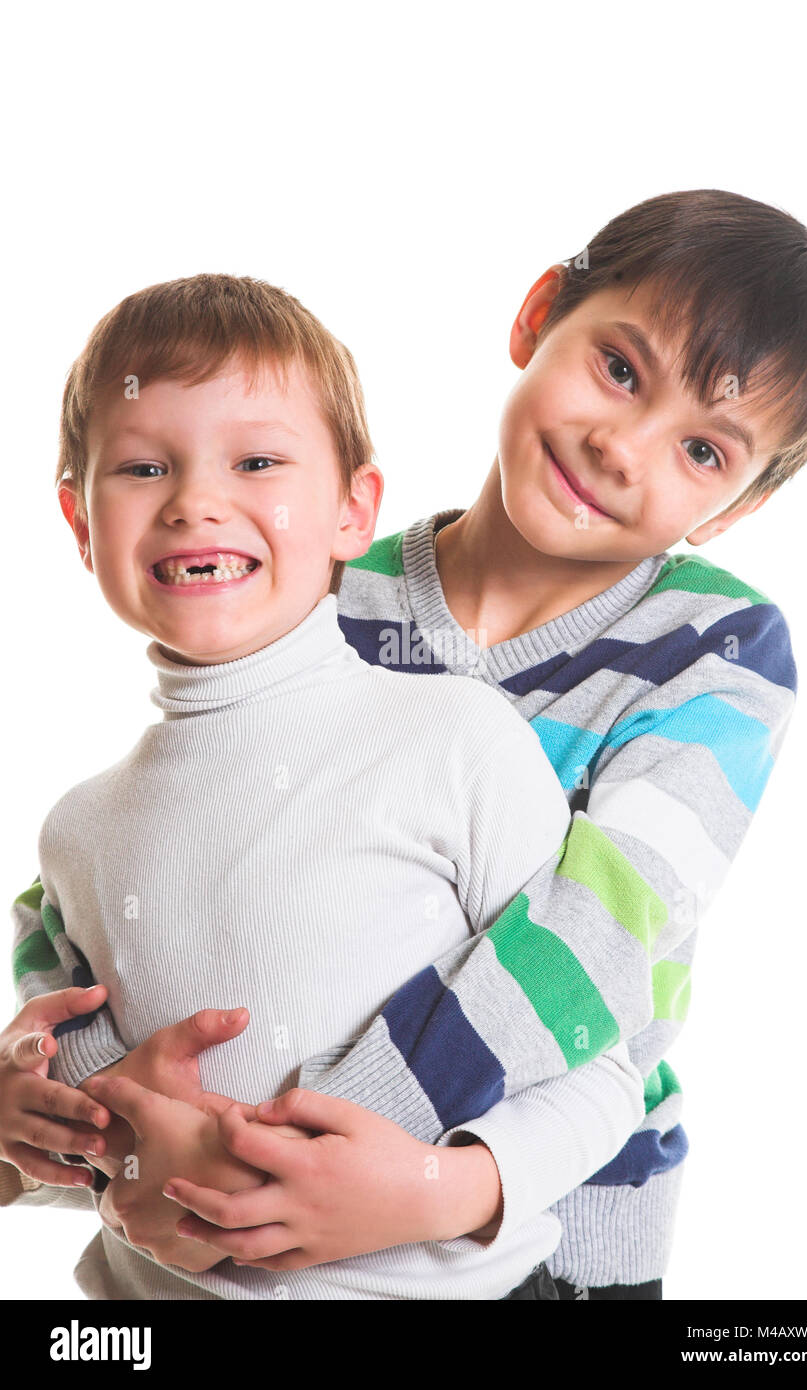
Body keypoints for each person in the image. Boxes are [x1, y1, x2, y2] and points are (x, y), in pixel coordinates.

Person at [3, 186, 807, 1298]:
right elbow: (161, 862)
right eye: (618, 369)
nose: (618, 445)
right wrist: (99, 1104)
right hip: (228, 1231)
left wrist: (364, 1150)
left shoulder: (718, 647)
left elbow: (597, 933)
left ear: (736, 505)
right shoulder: (318, 581)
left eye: (700, 448)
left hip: (550, 1213)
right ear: (538, 312)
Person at [0, 272, 645, 1300]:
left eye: (256, 460)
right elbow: (89, 1142)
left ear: (353, 509)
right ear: (80, 522)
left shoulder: (454, 739)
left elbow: (602, 1073)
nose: (195, 500)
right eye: (142, 466)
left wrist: (436, 1189)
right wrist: (32, 1133)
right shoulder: (77, 832)